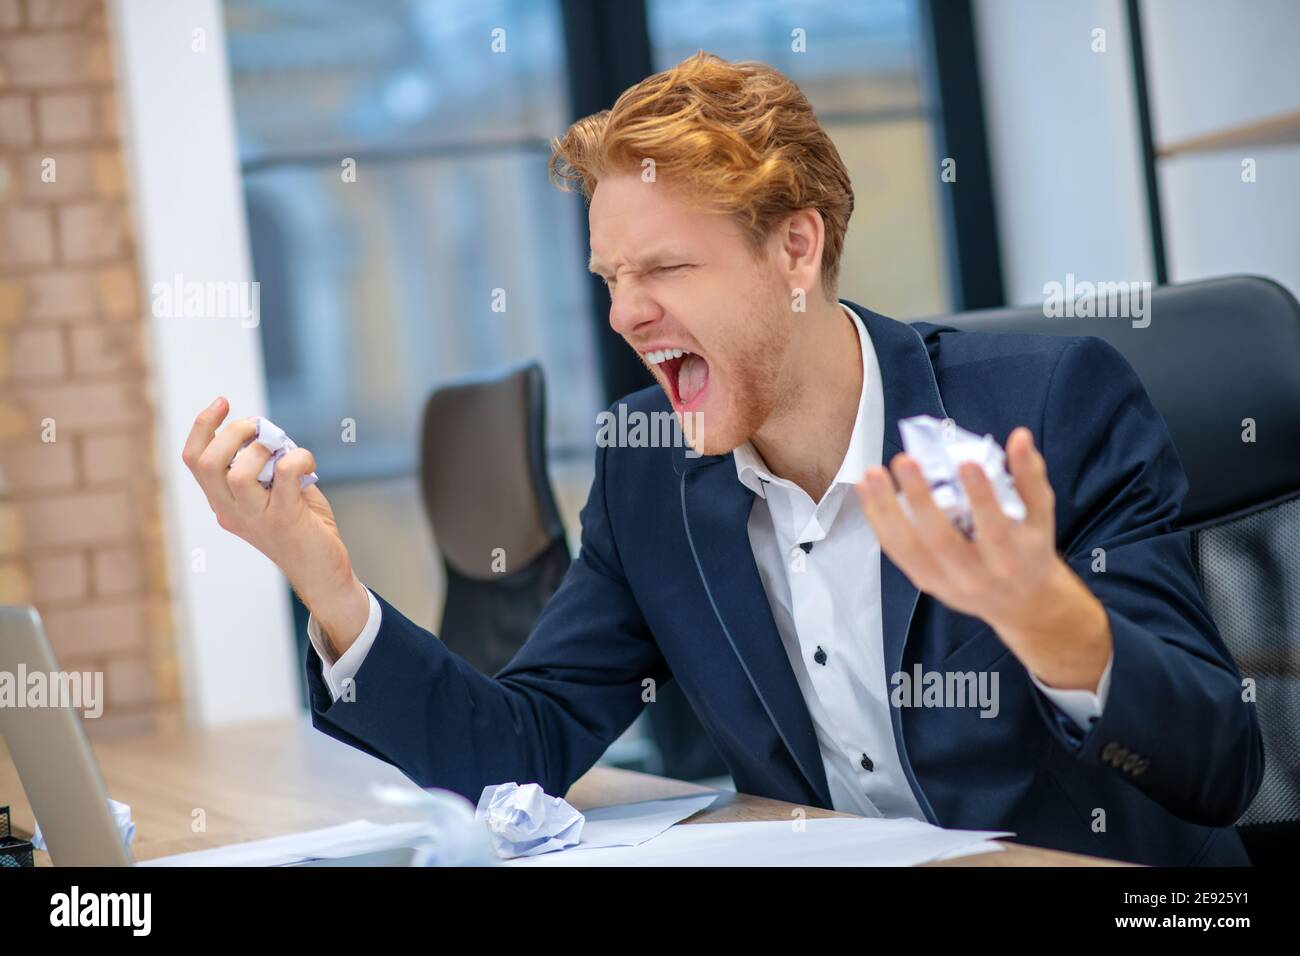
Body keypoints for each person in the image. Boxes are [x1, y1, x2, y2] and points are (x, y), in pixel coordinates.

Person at [182, 53, 1261, 865]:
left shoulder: (1048, 407)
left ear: (795, 248)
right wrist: (326, 581)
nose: (625, 315)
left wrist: (1047, 618)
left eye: (662, 268)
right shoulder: (649, 472)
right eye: (610, 277)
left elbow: (1218, 764)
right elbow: (521, 745)